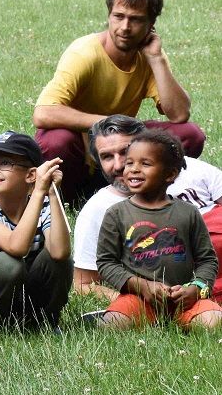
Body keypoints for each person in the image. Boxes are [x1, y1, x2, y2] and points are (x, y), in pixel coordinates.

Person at [33, 0, 204, 199]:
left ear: (151, 24)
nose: (125, 27)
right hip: (82, 149)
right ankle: (69, 197)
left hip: (124, 147)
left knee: (189, 135)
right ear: (109, 16)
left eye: (136, 19)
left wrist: (157, 59)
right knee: (56, 141)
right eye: (118, 16)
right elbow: (43, 113)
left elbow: (179, 114)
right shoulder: (84, 53)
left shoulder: (150, 56)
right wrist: (111, 123)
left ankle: (145, 191)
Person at [73, 115, 222, 300]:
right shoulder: (98, 211)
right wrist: (141, 299)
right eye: (107, 157)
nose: (119, 165)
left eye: (126, 152)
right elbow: (83, 284)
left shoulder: (187, 168)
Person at [91, 130, 221, 331]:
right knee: (111, 326)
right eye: (129, 163)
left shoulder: (188, 213)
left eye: (145, 164)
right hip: (139, 298)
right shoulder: (116, 214)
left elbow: (207, 260)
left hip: (185, 299)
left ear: (170, 174)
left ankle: (184, 318)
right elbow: (106, 262)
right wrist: (141, 286)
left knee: (214, 322)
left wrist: (196, 289)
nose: (134, 169)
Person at [0, 131, 72, 334]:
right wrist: (38, 191)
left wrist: (53, 194)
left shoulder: (44, 205)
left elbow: (59, 253)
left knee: (58, 259)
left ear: (31, 175)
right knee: (9, 263)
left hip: (25, 296)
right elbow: (16, 247)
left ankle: (45, 321)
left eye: (4, 163)